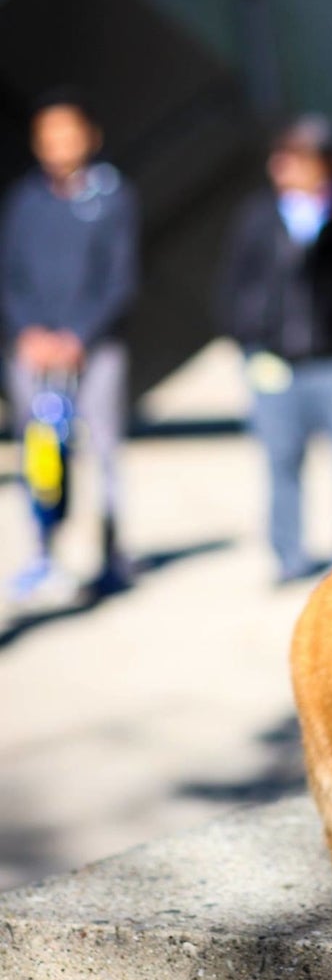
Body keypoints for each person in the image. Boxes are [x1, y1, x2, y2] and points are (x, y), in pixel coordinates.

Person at [219, 115, 332, 584]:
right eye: (280, 157)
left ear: (327, 163)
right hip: (274, 363)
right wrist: (248, 340)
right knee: (280, 461)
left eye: (298, 157)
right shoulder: (257, 216)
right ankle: (288, 556)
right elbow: (234, 286)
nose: (284, 167)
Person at [1, 89, 139, 605]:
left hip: (94, 350)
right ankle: (44, 554)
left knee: (103, 452)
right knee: (40, 457)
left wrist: (78, 335)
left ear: (90, 136)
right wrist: (29, 333)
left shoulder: (113, 197)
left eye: (68, 131)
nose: (59, 142)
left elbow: (120, 279)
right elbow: (10, 276)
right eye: (49, 134)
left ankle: (111, 555)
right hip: (32, 353)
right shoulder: (24, 201)